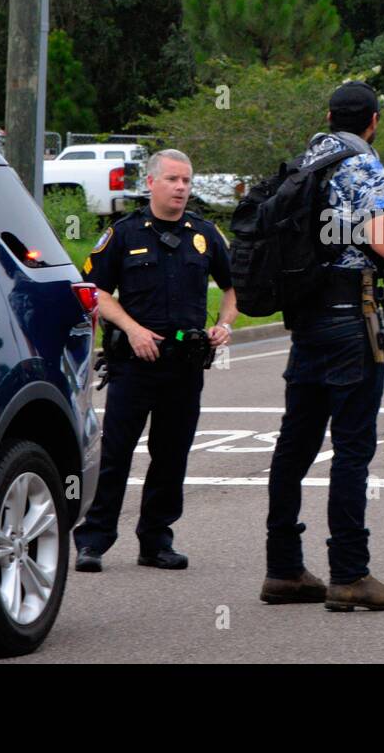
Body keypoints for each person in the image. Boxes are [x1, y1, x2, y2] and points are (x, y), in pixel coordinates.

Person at [260, 81, 384, 611]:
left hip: (308, 319)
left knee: (294, 446)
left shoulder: (309, 159)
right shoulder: (363, 166)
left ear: (328, 116)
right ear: (373, 120)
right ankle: (349, 573)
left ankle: (283, 568)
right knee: (352, 451)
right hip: (353, 318)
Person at [73, 149, 237, 572]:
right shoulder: (124, 234)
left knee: (172, 455)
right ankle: (93, 540)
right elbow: (95, 291)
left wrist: (224, 325)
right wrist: (131, 328)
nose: (181, 187)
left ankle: (156, 541)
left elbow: (234, 286)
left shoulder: (204, 234)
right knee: (116, 454)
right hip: (134, 365)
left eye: (186, 180)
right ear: (151, 183)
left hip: (184, 366)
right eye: (172, 180)